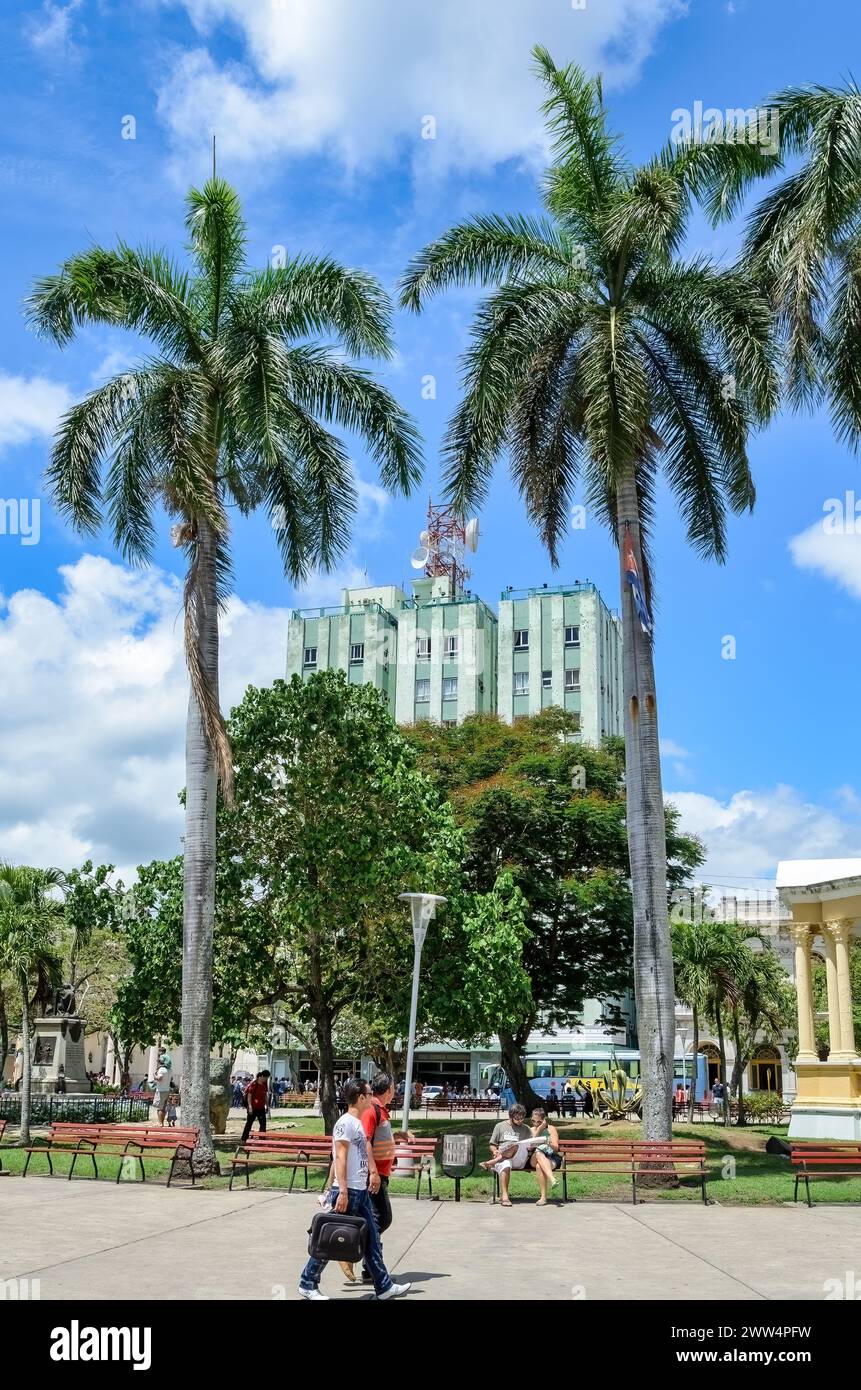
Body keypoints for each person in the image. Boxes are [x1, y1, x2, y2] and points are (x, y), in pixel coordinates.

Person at [298, 1078, 410, 1301]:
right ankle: (307, 1283)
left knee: (372, 1239)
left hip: (361, 1190)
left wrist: (371, 1172)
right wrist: (343, 1191)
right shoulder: (345, 1122)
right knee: (328, 1239)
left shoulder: (357, 1122)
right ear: (360, 1098)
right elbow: (339, 1157)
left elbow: (364, 1150)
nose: (371, 1097)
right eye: (369, 1094)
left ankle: (384, 1286)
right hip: (348, 1191)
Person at [338, 1071, 398, 1286]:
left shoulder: (379, 1110)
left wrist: (397, 1139)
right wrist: (373, 1172)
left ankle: (369, 1269)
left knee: (375, 1221)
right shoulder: (372, 1109)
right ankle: (349, 1247)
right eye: (394, 1088)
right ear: (389, 1090)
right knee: (381, 1219)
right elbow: (366, 1142)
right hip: (374, 1175)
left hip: (380, 1173)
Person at [483, 1104, 533, 1207]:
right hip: (503, 1156)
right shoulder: (500, 1126)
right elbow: (492, 1145)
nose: (520, 1121)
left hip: (519, 1159)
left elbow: (530, 1144)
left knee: (515, 1145)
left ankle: (491, 1162)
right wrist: (495, 1151)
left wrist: (531, 1147)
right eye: (517, 1118)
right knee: (505, 1163)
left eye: (522, 1118)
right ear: (510, 1116)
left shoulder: (526, 1129)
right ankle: (504, 1196)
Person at [528, 1108, 562, 1206]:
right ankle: (552, 1179)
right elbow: (530, 1147)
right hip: (534, 1158)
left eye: (538, 1122)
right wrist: (539, 1130)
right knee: (538, 1153)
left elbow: (555, 1148)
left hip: (551, 1157)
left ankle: (543, 1198)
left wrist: (547, 1143)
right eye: (533, 1121)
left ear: (543, 1120)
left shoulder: (551, 1129)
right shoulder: (531, 1130)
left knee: (540, 1166)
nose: (535, 1123)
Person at [241, 1070, 270, 1141]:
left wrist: (267, 1105)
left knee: (263, 1124)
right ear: (262, 1076)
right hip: (253, 1108)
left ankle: (262, 1139)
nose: (266, 1080)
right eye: (266, 1078)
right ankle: (244, 1139)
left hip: (261, 1108)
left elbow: (265, 1095)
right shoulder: (254, 1084)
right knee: (249, 1124)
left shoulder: (265, 1084)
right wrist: (250, 1106)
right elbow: (249, 1096)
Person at [150, 1054, 172, 1127]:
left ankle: (160, 1123)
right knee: (163, 1108)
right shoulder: (170, 1070)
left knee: (160, 1108)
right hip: (166, 1090)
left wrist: (154, 1075)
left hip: (160, 1090)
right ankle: (162, 1122)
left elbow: (159, 1078)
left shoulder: (161, 1069)